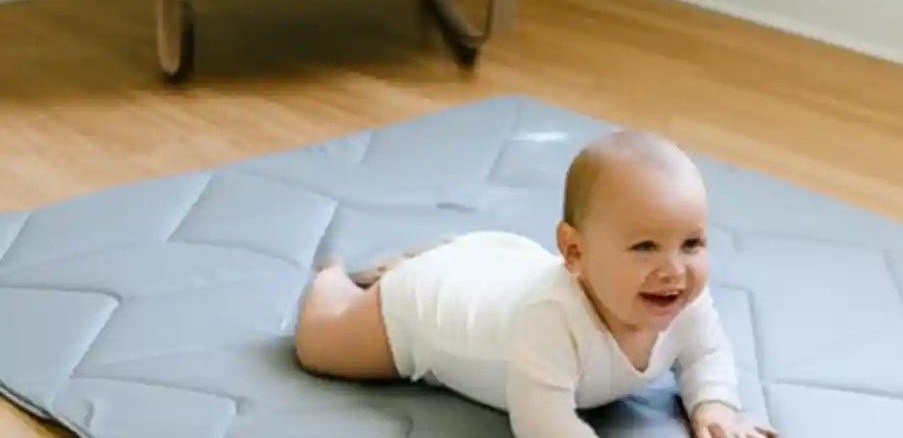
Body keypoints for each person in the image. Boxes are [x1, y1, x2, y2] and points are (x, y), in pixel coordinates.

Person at [293, 129, 777, 438]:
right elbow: (542, 422)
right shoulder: (551, 319)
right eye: (645, 247)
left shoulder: (685, 301)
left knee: (485, 266)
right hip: (425, 309)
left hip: (502, 265)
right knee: (319, 346)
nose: (675, 269)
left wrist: (714, 405)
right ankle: (335, 281)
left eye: (692, 243)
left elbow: (706, 355)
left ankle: (438, 253)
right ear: (575, 253)